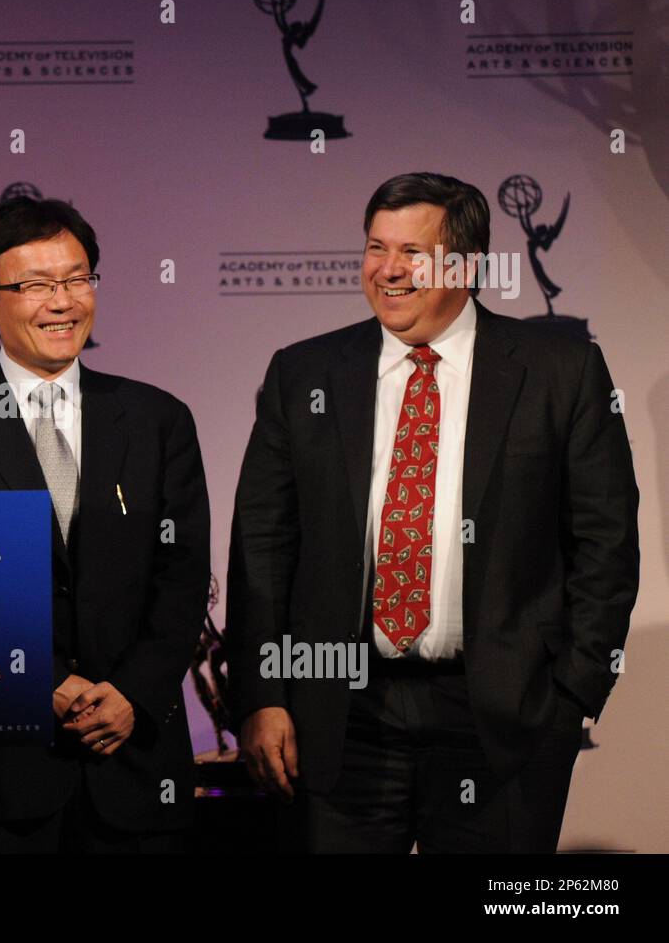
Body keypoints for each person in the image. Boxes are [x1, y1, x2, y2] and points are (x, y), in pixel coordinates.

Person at [228, 172, 639, 852]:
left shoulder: (559, 372)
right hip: (340, 715)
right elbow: (264, 545)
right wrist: (263, 695)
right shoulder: (304, 375)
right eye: (375, 247)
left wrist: (571, 698)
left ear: (468, 265)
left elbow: (606, 545)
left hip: (503, 720)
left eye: (412, 253)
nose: (387, 270)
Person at [0, 196, 211, 852]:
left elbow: (183, 581)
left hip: (136, 767)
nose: (62, 302)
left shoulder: (156, 419)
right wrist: (40, 682)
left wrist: (133, 696)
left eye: (76, 279)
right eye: (32, 286)